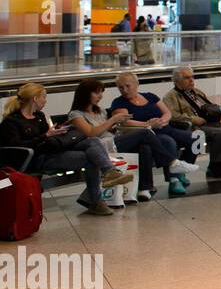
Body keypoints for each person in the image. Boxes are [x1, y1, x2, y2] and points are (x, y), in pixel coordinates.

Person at [1, 83, 131, 216]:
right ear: (35, 99)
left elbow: (48, 139)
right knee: (91, 157)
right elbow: (18, 148)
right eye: (44, 97)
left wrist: (56, 133)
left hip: (52, 150)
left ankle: (108, 173)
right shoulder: (12, 122)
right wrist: (45, 136)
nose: (45, 101)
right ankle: (97, 198)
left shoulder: (39, 116)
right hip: (37, 158)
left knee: (93, 141)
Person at [68, 78, 197, 202]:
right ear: (85, 94)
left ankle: (144, 188)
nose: (100, 96)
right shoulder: (75, 114)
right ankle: (172, 163)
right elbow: (91, 133)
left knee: (144, 147)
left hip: (114, 141)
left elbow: (110, 130)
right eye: (97, 93)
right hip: (100, 147)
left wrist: (119, 124)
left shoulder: (100, 111)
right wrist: (113, 119)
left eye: (101, 92)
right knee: (145, 133)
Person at [111, 72, 201, 195]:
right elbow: (125, 122)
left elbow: (167, 112)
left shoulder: (150, 96)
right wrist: (148, 124)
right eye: (121, 87)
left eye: (127, 86)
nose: (124, 90)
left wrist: (162, 121)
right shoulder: (119, 102)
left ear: (136, 84)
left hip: (165, 128)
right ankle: (173, 179)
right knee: (169, 143)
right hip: (150, 134)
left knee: (197, 138)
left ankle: (180, 171)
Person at [162, 67, 221, 175]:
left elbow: (208, 106)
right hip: (194, 126)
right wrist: (192, 119)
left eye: (192, 77)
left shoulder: (197, 92)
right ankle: (215, 166)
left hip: (209, 122)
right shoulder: (170, 97)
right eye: (187, 78)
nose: (191, 80)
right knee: (219, 133)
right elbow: (172, 115)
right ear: (177, 80)